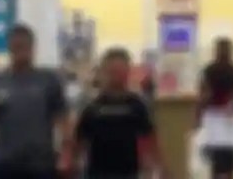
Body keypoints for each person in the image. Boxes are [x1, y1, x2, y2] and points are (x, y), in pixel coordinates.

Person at [0, 24, 70, 179]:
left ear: (32, 48)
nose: (19, 52)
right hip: (7, 162)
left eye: (23, 46)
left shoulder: (48, 80)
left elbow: (62, 119)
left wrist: (66, 154)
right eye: (15, 47)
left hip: (41, 164)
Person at [66, 48, 165, 179]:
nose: (117, 76)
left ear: (128, 72)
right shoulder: (92, 107)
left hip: (129, 173)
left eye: (121, 71)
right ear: (103, 72)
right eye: (112, 71)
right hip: (97, 173)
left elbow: (150, 140)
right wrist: (71, 165)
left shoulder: (137, 105)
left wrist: (160, 168)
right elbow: (79, 142)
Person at [196, 37, 233, 179]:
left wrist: (198, 116)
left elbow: (203, 96)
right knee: (230, 160)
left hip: (214, 117)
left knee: (216, 160)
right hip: (230, 117)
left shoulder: (209, 71)